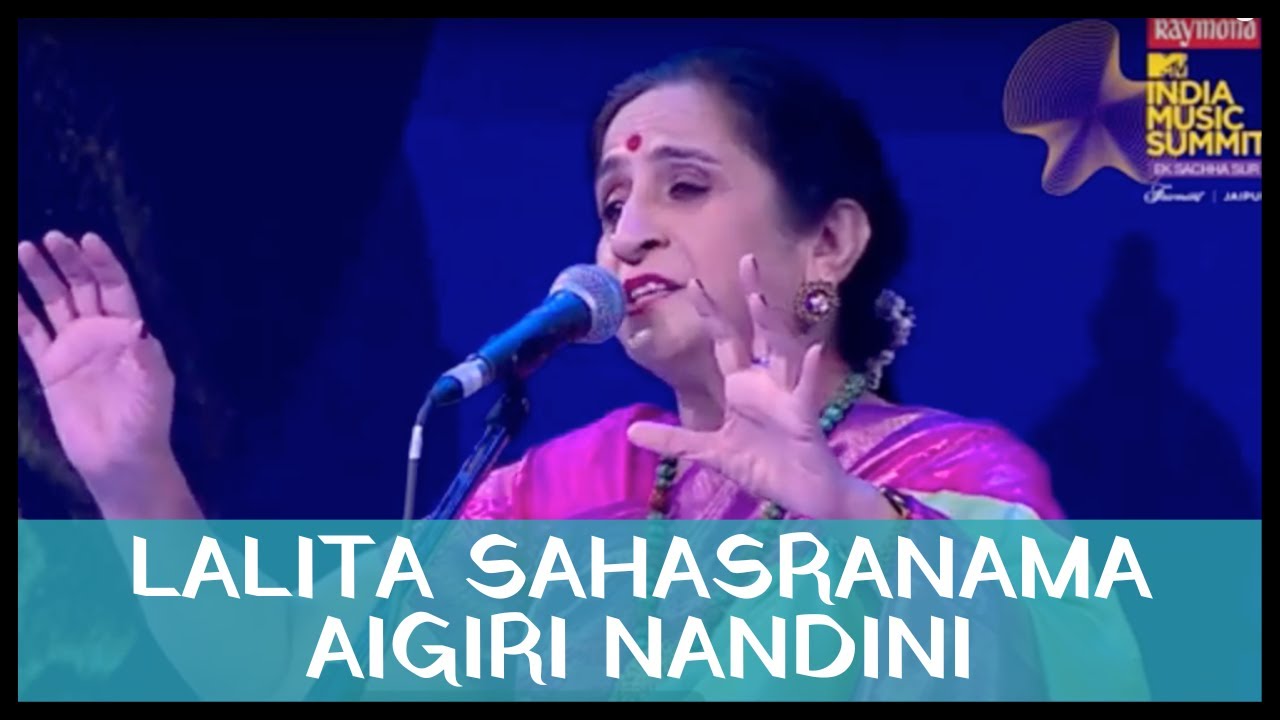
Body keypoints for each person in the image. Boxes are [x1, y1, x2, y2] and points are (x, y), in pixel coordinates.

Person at [18, 46, 1125, 701]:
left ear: (828, 242)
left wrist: (833, 507)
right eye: (610, 204)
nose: (624, 238)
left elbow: (1021, 667)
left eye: (683, 189)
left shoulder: (944, 470)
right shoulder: (545, 488)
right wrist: (132, 476)